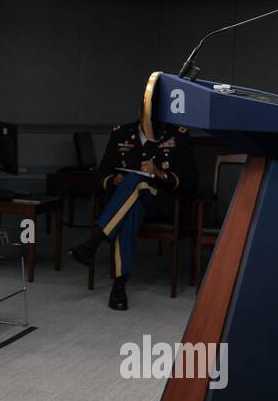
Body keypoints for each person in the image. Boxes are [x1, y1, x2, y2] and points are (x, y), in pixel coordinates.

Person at [69, 117, 197, 310]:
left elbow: (190, 181)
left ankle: (93, 242)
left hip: (160, 202)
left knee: (137, 181)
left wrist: (158, 173)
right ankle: (119, 286)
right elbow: (101, 173)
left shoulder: (177, 134)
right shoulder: (121, 133)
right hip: (130, 204)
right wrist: (113, 180)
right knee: (130, 211)